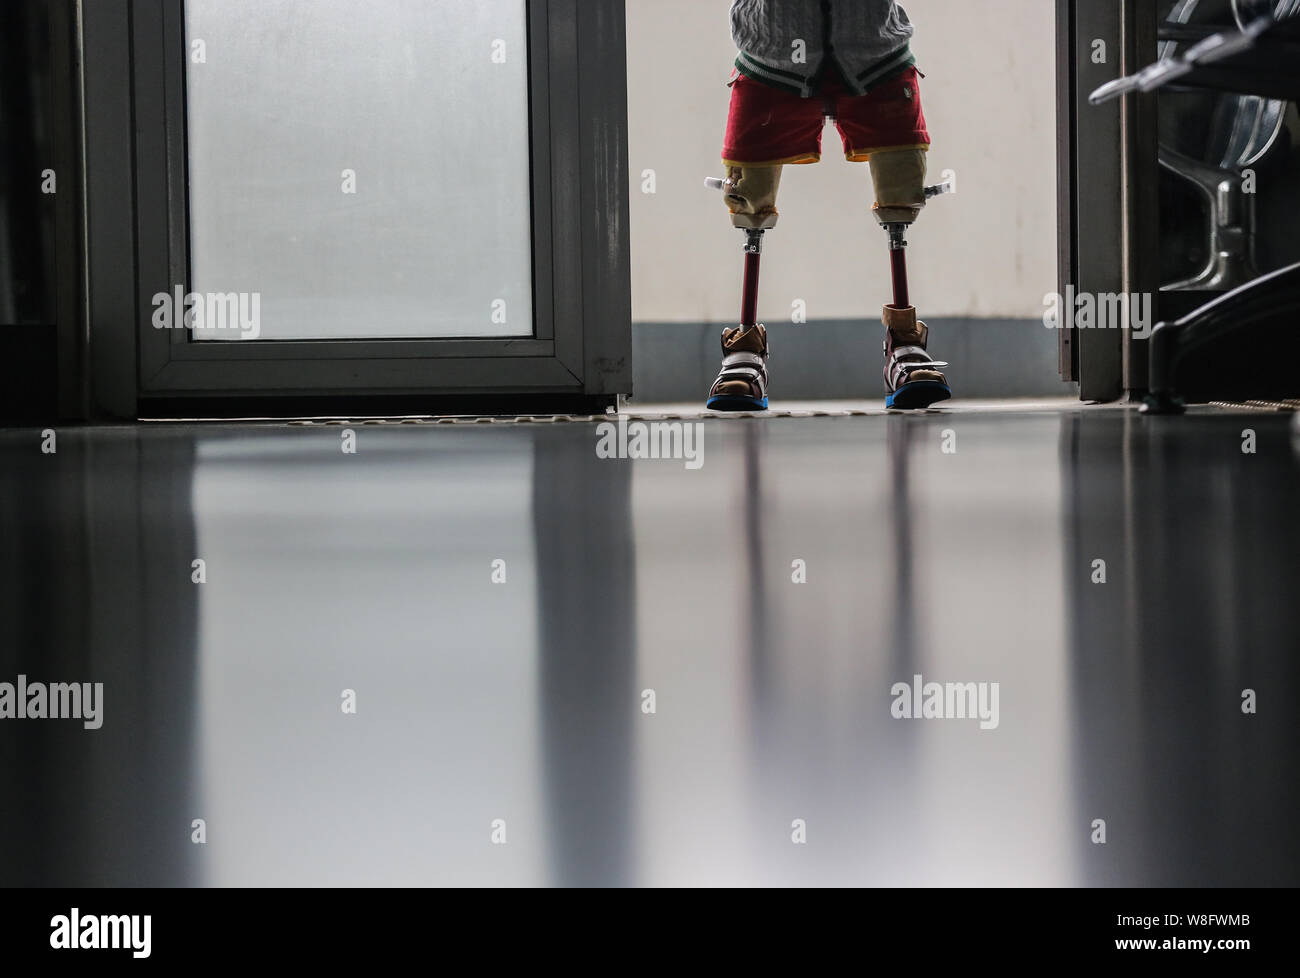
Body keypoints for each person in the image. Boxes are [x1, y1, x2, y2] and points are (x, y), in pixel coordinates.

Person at [707, 0, 952, 411]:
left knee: (901, 187)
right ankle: (745, 343)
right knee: (749, 195)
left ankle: (904, 340)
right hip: (771, 50)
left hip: (874, 49)